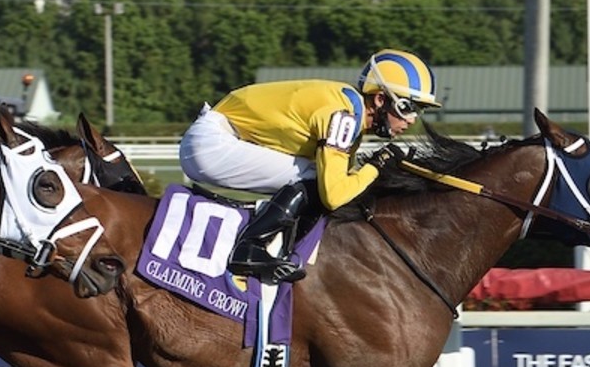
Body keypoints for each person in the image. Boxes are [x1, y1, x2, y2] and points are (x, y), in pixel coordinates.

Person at [178, 48, 441, 284]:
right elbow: (335, 196)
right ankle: (249, 248)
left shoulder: (351, 114)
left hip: (216, 138)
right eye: (407, 107)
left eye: (419, 110)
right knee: (318, 179)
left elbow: (344, 186)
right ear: (380, 100)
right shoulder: (344, 116)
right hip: (211, 144)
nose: (411, 120)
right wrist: (376, 166)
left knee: (324, 179)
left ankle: (286, 247)